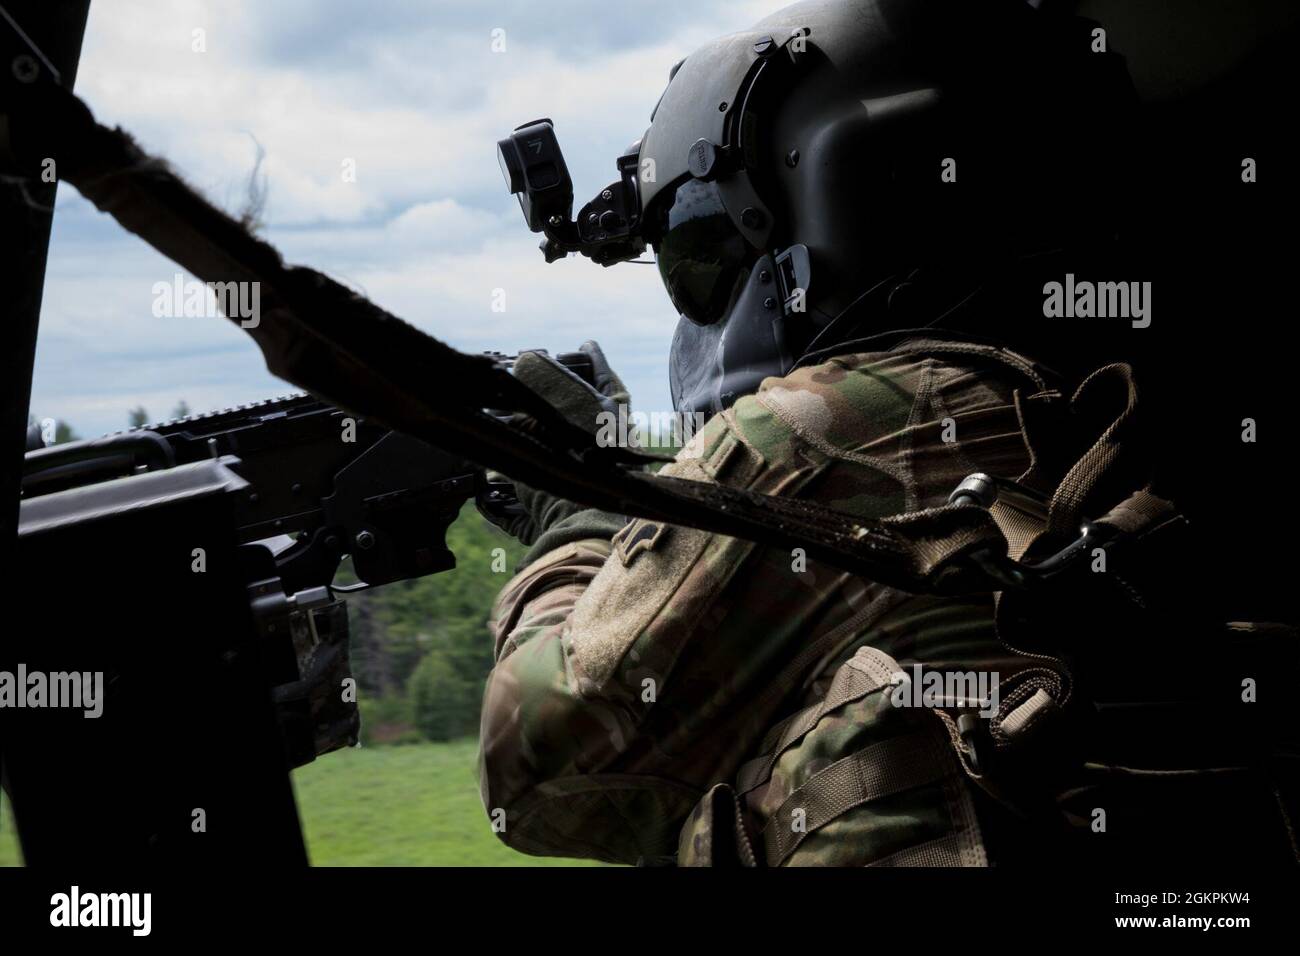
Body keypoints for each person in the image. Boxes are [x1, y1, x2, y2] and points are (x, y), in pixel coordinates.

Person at [476, 0, 1300, 866]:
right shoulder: (1167, 379)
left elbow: (534, 776)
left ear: (822, 197)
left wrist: (569, 518)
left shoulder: (815, 432)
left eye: (701, 245)